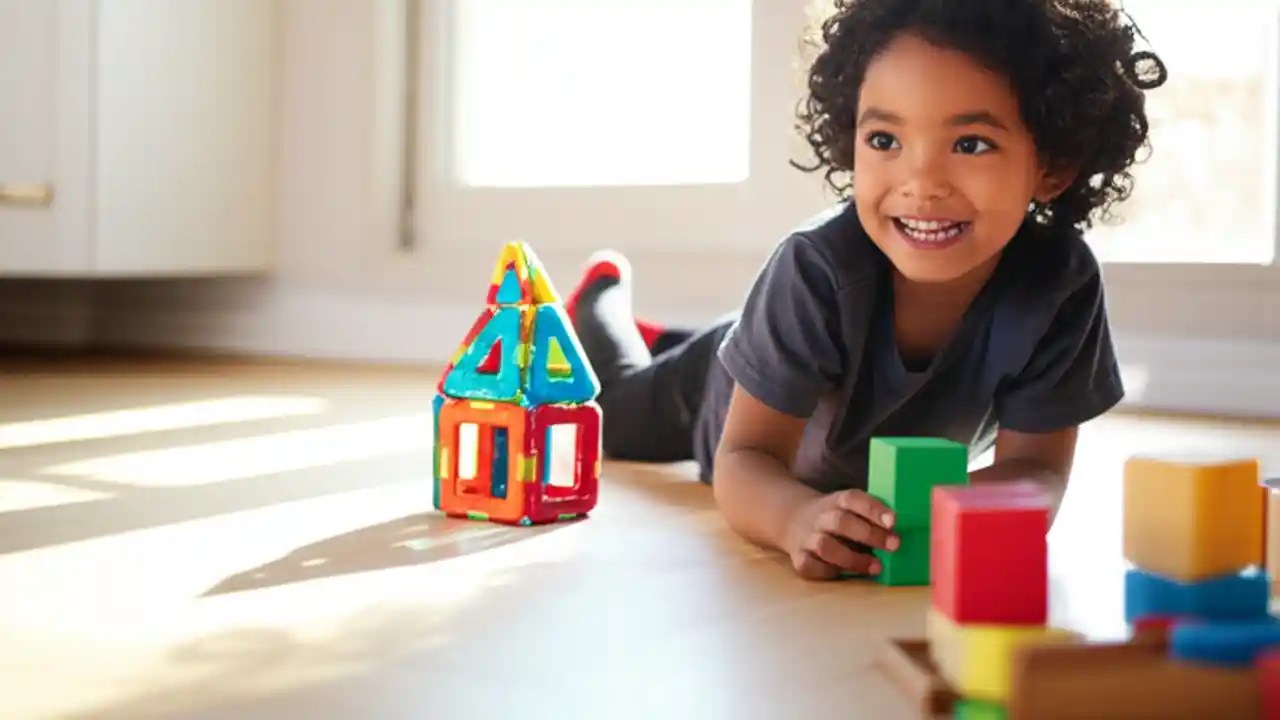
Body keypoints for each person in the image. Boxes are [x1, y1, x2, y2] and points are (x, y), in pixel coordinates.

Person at [564, 0, 1167, 581]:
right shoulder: (815, 269)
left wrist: (965, 512)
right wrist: (794, 516)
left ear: (1052, 167)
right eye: (885, 140)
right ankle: (598, 304)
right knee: (607, 413)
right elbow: (745, 462)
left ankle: (669, 333)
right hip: (716, 393)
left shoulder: (1059, 284)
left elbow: (1036, 469)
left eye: (970, 144)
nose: (921, 183)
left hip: (782, 345)